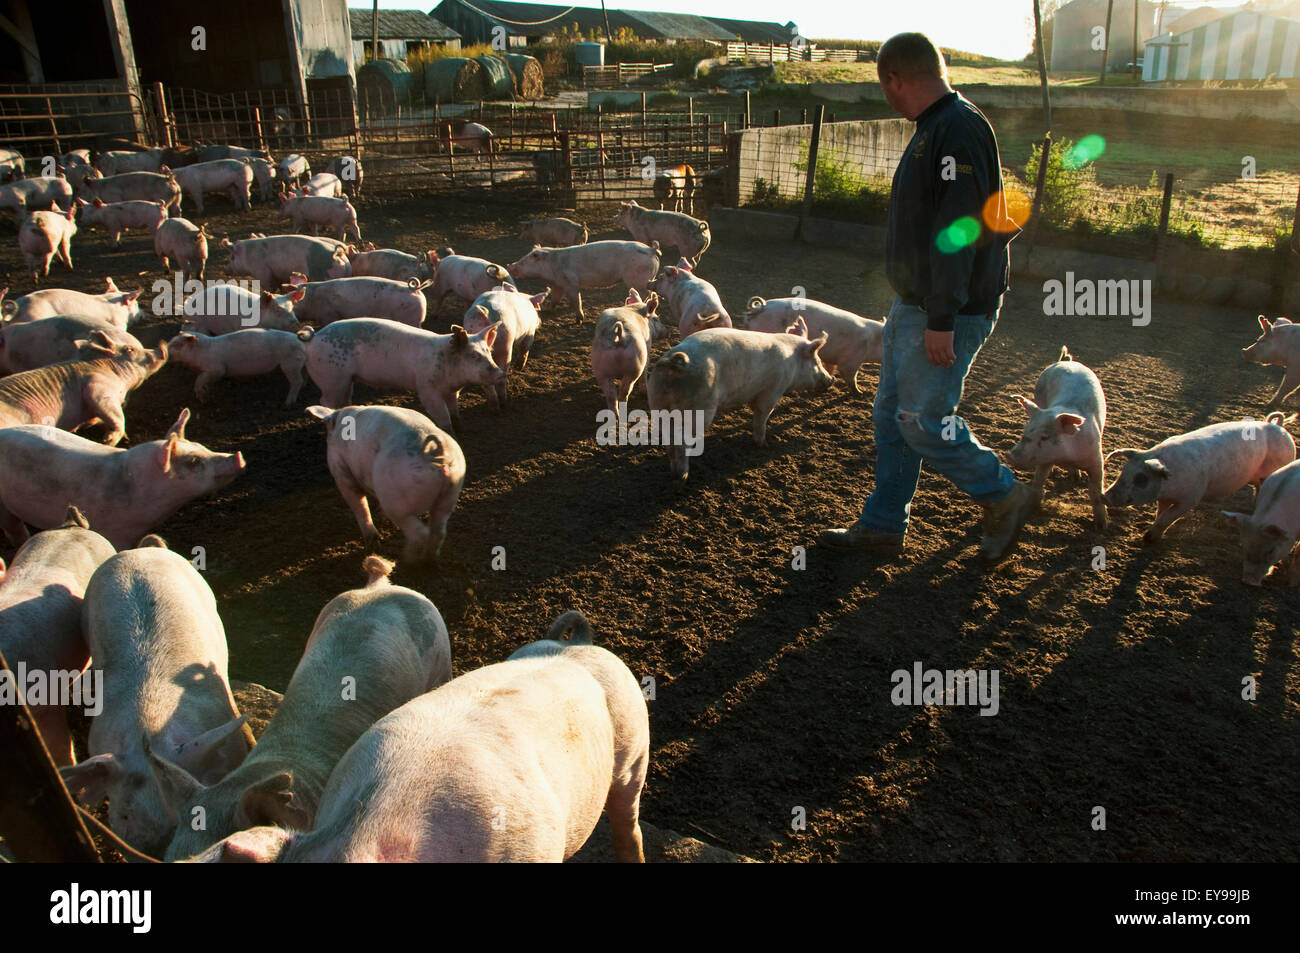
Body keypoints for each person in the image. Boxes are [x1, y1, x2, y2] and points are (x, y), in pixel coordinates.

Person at [819, 32, 1037, 566]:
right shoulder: (940, 127)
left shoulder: (954, 130)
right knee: (893, 416)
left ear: (895, 78)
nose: (885, 96)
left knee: (922, 423)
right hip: (918, 305)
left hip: (943, 312)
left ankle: (1004, 493)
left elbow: (960, 227)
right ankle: (883, 525)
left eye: (883, 85)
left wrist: (943, 312)